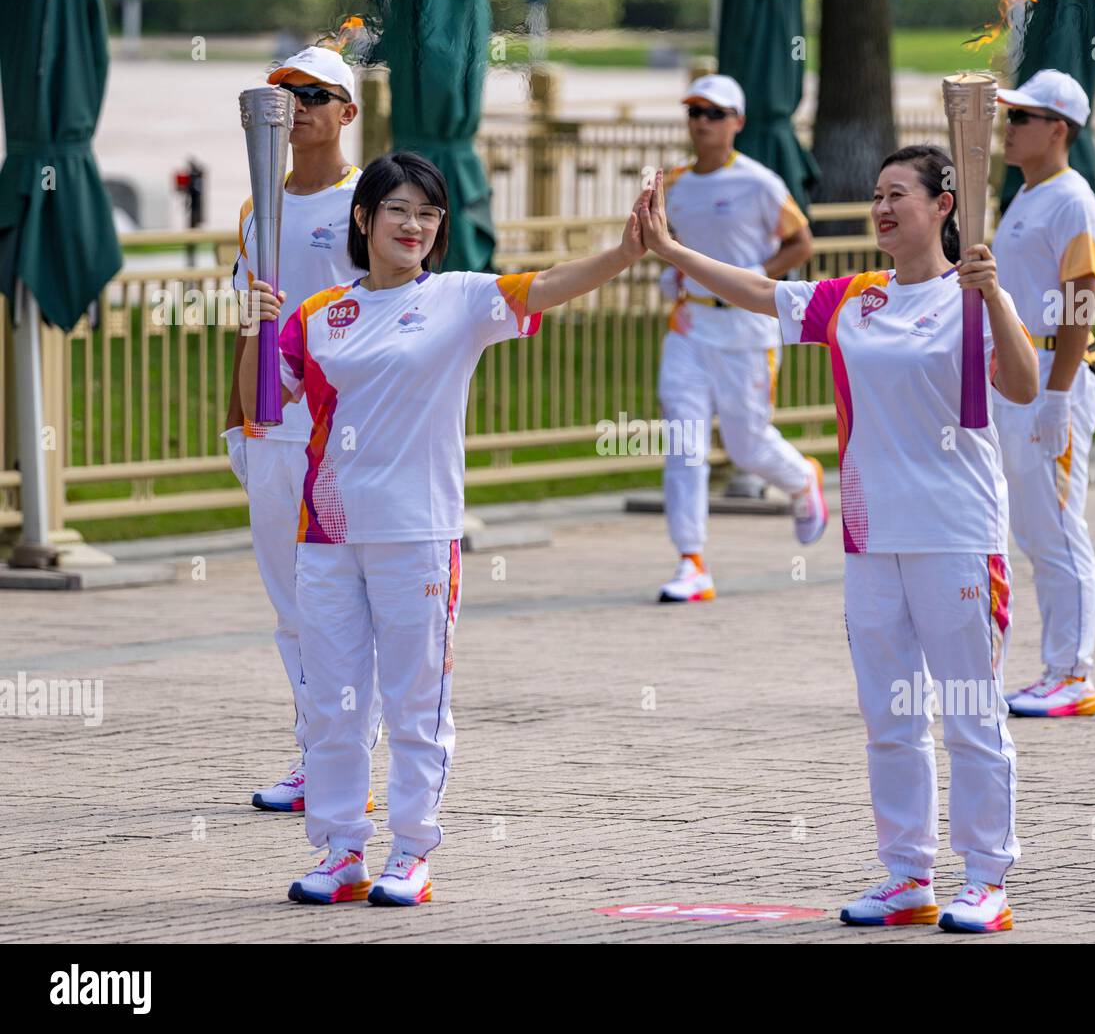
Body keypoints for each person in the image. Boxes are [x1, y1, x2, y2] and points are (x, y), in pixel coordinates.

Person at [636, 146, 1039, 933]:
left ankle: (987, 877)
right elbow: (761, 290)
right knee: (891, 715)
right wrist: (674, 252)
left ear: (944, 207)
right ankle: (908, 875)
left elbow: (1021, 385)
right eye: (876, 195)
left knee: (968, 713)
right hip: (870, 535)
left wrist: (995, 303)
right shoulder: (857, 297)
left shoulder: (972, 297)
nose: (882, 208)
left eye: (899, 195)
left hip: (958, 535)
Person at [239, 151, 650, 905]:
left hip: (417, 531)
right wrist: (253, 331)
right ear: (363, 219)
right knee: (333, 702)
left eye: (428, 213)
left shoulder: (460, 300)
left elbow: (548, 286)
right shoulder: (320, 313)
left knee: (414, 699)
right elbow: (262, 409)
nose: (414, 224)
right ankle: (339, 850)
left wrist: (624, 253)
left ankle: (412, 851)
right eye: (398, 209)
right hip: (327, 533)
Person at [223, 45, 384, 812]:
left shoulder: (369, 207)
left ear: (347, 112)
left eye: (315, 95)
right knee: (291, 610)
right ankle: (316, 756)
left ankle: (349, 760)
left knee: (341, 605)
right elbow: (249, 322)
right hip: (272, 431)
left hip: (342, 437)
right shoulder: (258, 207)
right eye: (285, 94)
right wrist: (237, 424)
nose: (299, 107)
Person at [654, 74, 826, 603]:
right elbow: (671, 244)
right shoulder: (674, 184)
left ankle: (801, 479)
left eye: (713, 113)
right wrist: (670, 272)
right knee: (684, 445)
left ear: (737, 122)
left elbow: (801, 243)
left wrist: (755, 274)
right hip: (690, 327)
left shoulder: (760, 182)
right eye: (694, 112)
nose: (701, 122)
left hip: (747, 329)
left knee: (747, 446)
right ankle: (692, 562)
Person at [992, 70, 1095, 717]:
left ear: (1057, 129)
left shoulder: (1072, 200)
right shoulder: (1028, 193)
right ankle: (1053, 669)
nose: (1009, 128)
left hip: (1050, 380)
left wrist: (1059, 395)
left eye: (1022, 119)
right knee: (1033, 530)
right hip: (1018, 378)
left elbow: (1081, 296)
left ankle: (1073, 673)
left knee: (1058, 529)